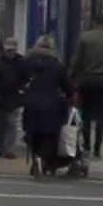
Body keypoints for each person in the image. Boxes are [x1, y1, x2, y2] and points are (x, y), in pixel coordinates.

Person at [21, 35, 73, 176]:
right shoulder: (57, 65)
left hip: (31, 103)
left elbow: (19, 81)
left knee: (32, 133)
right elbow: (67, 87)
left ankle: (35, 159)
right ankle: (42, 159)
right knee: (49, 135)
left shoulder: (27, 62)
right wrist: (70, 99)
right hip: (51, 104)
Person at [69, 12, 103, 158]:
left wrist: (71, 75)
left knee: (85, 115)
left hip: (87, 80)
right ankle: (97, 149)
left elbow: (77, 60)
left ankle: (87, 145)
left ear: (94, 22)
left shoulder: (84, 37)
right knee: (102, 116)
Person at [0, 38, 27, 159]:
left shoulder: (21, 62)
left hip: (13, 98)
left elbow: (25, 78)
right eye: (8, 50)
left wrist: (23, 91)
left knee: (11, 123)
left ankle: (8, 149)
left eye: (12, 50)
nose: (10, 52)